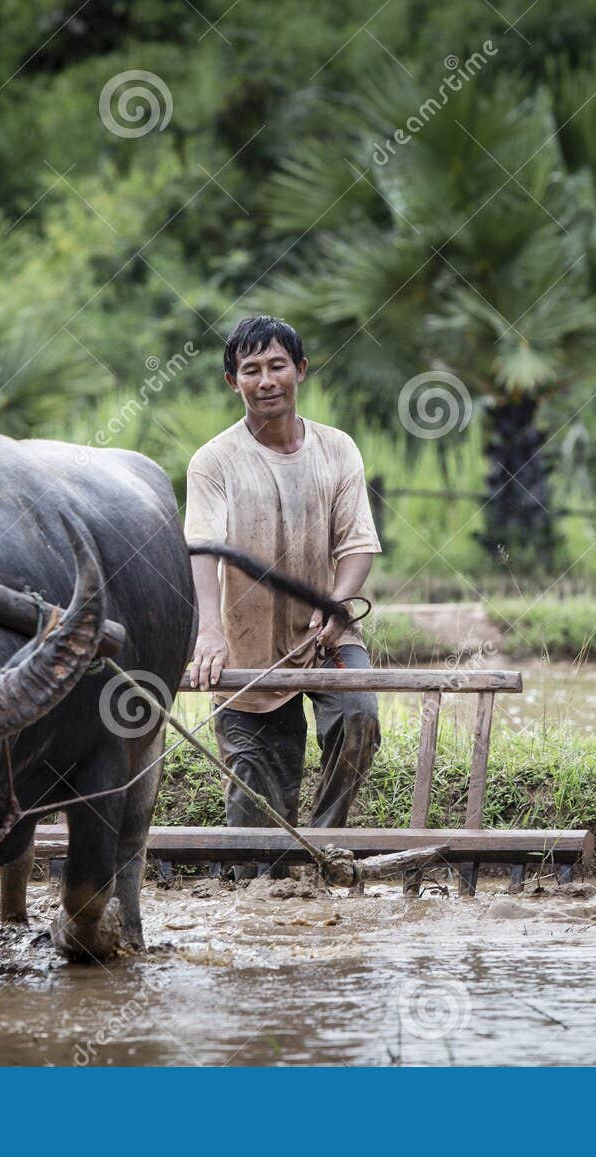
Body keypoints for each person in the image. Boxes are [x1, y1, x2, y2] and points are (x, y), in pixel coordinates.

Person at [184, 316, 383, 838]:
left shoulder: (337, 449)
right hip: (246, 645)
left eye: (277, 366)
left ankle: (323, 841)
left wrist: (338, 607)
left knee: (359, 714)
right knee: (254, 818)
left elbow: (358, 544)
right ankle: (266, 875)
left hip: (325, 634)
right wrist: (210, 631)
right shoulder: (214, 461)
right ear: (233, 382)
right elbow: (200, 549)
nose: (266, 380)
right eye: (251, 370)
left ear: (300, 370)